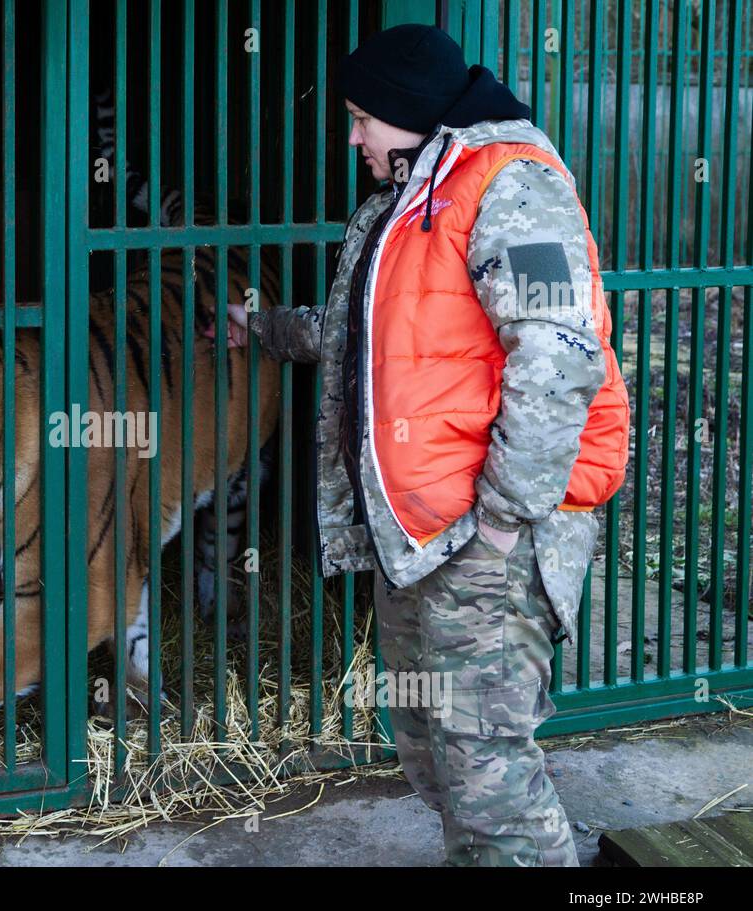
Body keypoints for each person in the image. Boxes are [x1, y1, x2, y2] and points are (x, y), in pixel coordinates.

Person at [233, 24, 630, 866]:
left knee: (488, 774)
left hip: (490, 539)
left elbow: (558, 354)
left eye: (359, 117)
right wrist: (261, 329)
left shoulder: (514, 185)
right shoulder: (411, 200)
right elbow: (362, 335)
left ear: (404, 110)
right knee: (428, 743)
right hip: (419, 536)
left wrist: (500, 525)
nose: (353, 139)